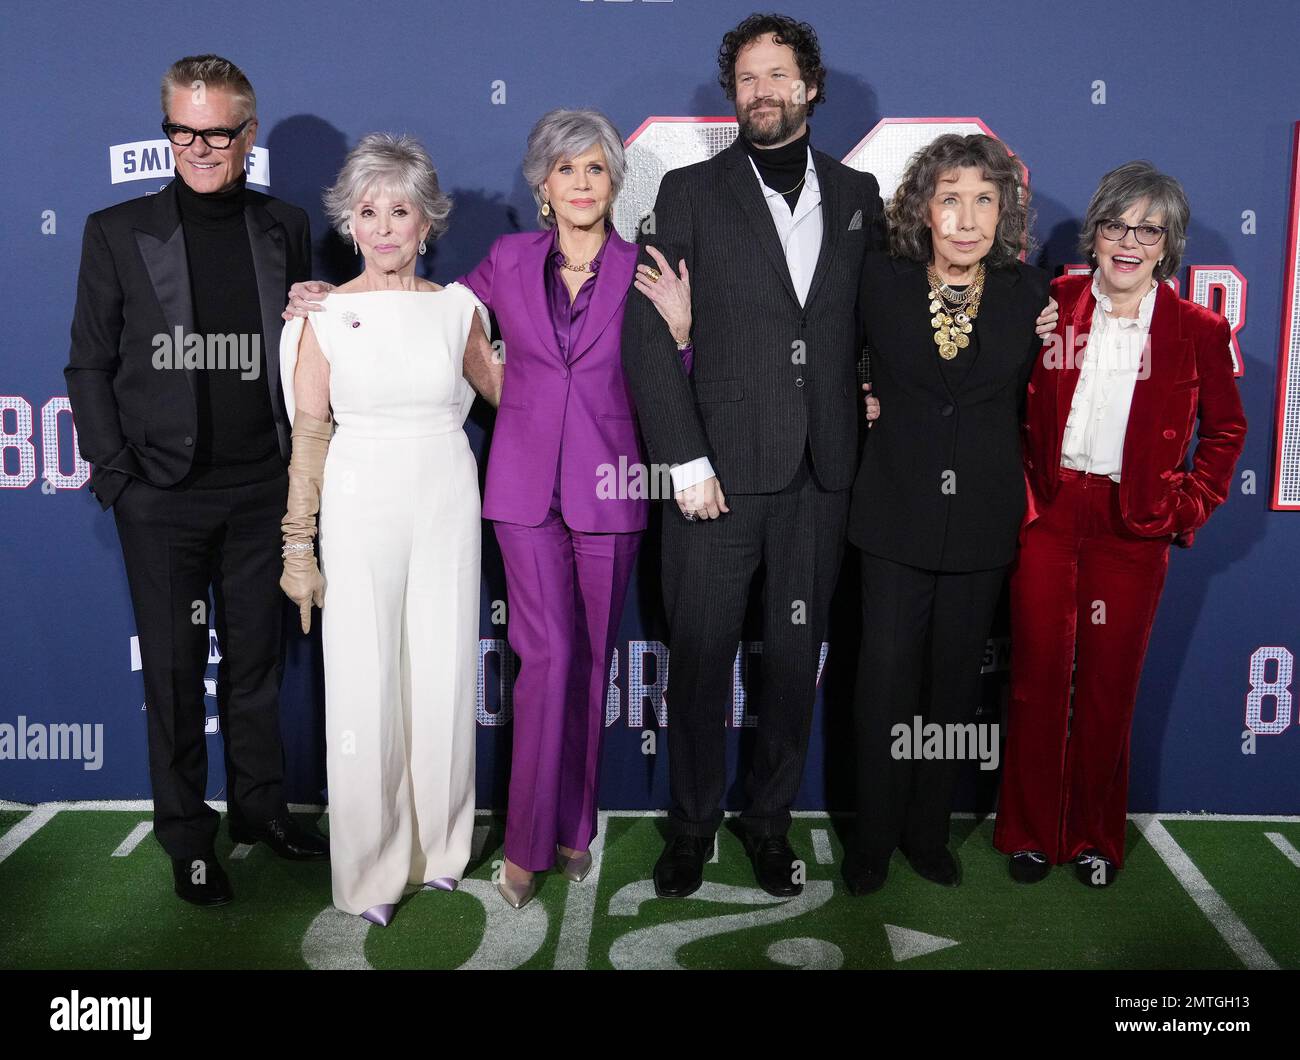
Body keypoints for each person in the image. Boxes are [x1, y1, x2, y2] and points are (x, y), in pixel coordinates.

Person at [621, 13, 888, 900]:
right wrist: (685, 462)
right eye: (747, 79)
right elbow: (650, 337)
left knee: (793, 660)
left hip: (823, 478)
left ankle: (769, 825)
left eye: (779, 75)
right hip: (718, 480)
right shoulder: (691, 192)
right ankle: (693, 827)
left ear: (811, 86)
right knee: (698, 658)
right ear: (732, 93)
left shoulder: (857, 198)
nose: (763, 91)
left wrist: (875, 383)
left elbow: (867, 324)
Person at [64, 54, 326, 908]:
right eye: (184, 129)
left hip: (261, 489)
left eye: (219, 132)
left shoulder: (283, 223)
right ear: (167, 129)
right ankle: (187, 835)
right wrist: (118, 479)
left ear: (248, 134)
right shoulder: (116, 229)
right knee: (175, 677)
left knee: (255, 665)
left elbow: (304, 348)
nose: (201, 147)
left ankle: (261, 811)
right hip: (162, 496)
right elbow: (89, 363)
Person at [994, 162, 1247, 887]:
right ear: (1095, 234)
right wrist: (1022, 488)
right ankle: (1032, 834)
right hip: (1049, 512)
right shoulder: (1055, 299)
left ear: (1168, 245)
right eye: (1115, 226)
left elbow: (1226, 430)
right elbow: (1003, 398)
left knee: (1109, 687)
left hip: (1133, 525)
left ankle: (1097, 838)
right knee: (1038, 679)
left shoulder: (1197, 328)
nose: (1128, 242)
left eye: (1148, 230)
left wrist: (1186, 504)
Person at [277, 133, 498, 926]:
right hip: (358, 498)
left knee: (442, 678)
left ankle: (439, 851)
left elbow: (518, 395)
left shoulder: (458, 309)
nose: (383, 226)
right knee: (365, 685)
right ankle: (370, 869)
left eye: (399, 210)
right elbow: (309, 433)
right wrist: (297, 547)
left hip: (445, 493)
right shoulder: (322, 313)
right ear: (349, 221)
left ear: (426, 222)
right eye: (367, 211)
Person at [843, 133, 1052, 896]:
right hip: (892, 517)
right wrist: (860, 405)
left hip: (982, 526)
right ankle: (871, 840)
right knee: (883, 684)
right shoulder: (879, 283)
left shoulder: (1035, 297)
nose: (967, 218)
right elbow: (831, 370)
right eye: (951, 199)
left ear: (1004, 212)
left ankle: (927, 833)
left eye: (984, 201)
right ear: (924, 210)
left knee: (952, 688)